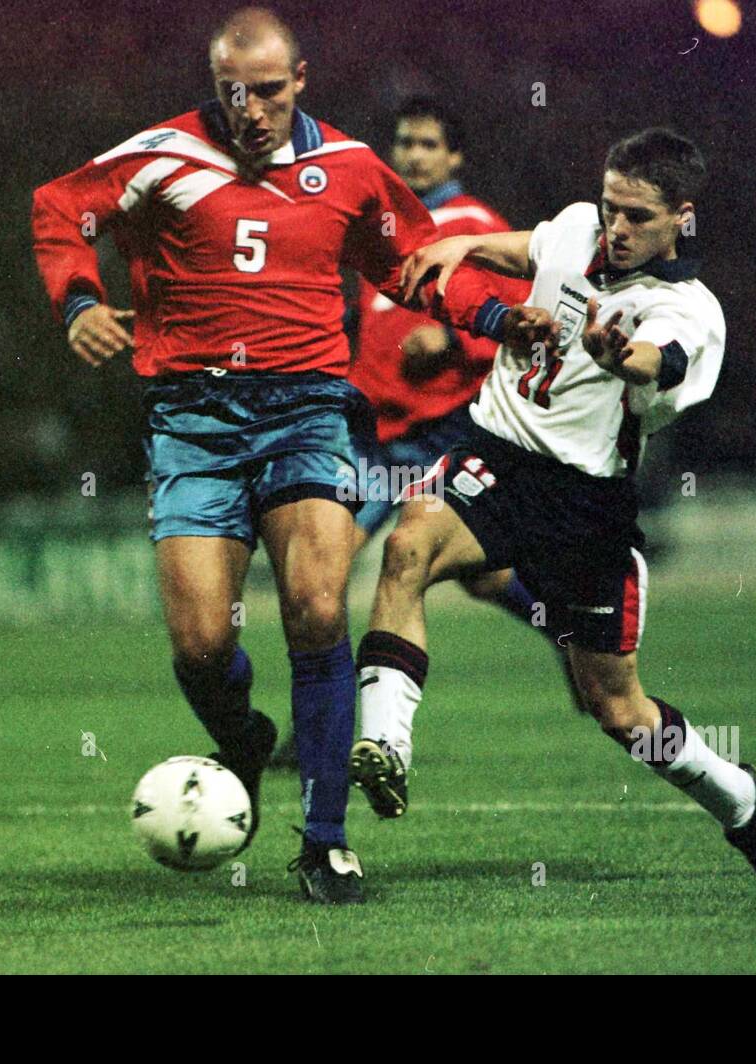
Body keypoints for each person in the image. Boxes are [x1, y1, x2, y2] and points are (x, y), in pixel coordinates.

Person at [31, 7, 494, 902]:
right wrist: (79, 301)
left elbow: (411, 265)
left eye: (270, 92)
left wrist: (500, 318)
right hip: (192, 417)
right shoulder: (159, 156)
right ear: (216, 86)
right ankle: (243, 737)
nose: (251, 110)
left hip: (308, 410)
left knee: (317, 608)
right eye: (234, 92)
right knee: (203, 645)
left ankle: (325, 839)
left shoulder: (353, 169)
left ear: (302, 81)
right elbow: (59, 207)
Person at [350, 128, 756, 873]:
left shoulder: (687, 308)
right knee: (406, 547)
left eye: (637, 218)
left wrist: (621, 356)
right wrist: (461, 249)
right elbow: (523, 248)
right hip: (495, 456)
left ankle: (738, 798)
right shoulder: (578, 228)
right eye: (610, 207)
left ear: (681, 217)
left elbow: (663, 357)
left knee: (617, 711)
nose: (616, 228)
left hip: (583, 506)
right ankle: (385, 745)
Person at [272, 96, 585, 773]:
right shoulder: (380, 228)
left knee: (479, 575)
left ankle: (569, 634)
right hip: (373, 437)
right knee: (320, 571)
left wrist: (453, 342)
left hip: (449, 429)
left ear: (455, 156)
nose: (412, 155)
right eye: (404, 142)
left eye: (427, 144)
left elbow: (535, 317)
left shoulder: (474, 224)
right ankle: (321, 728)